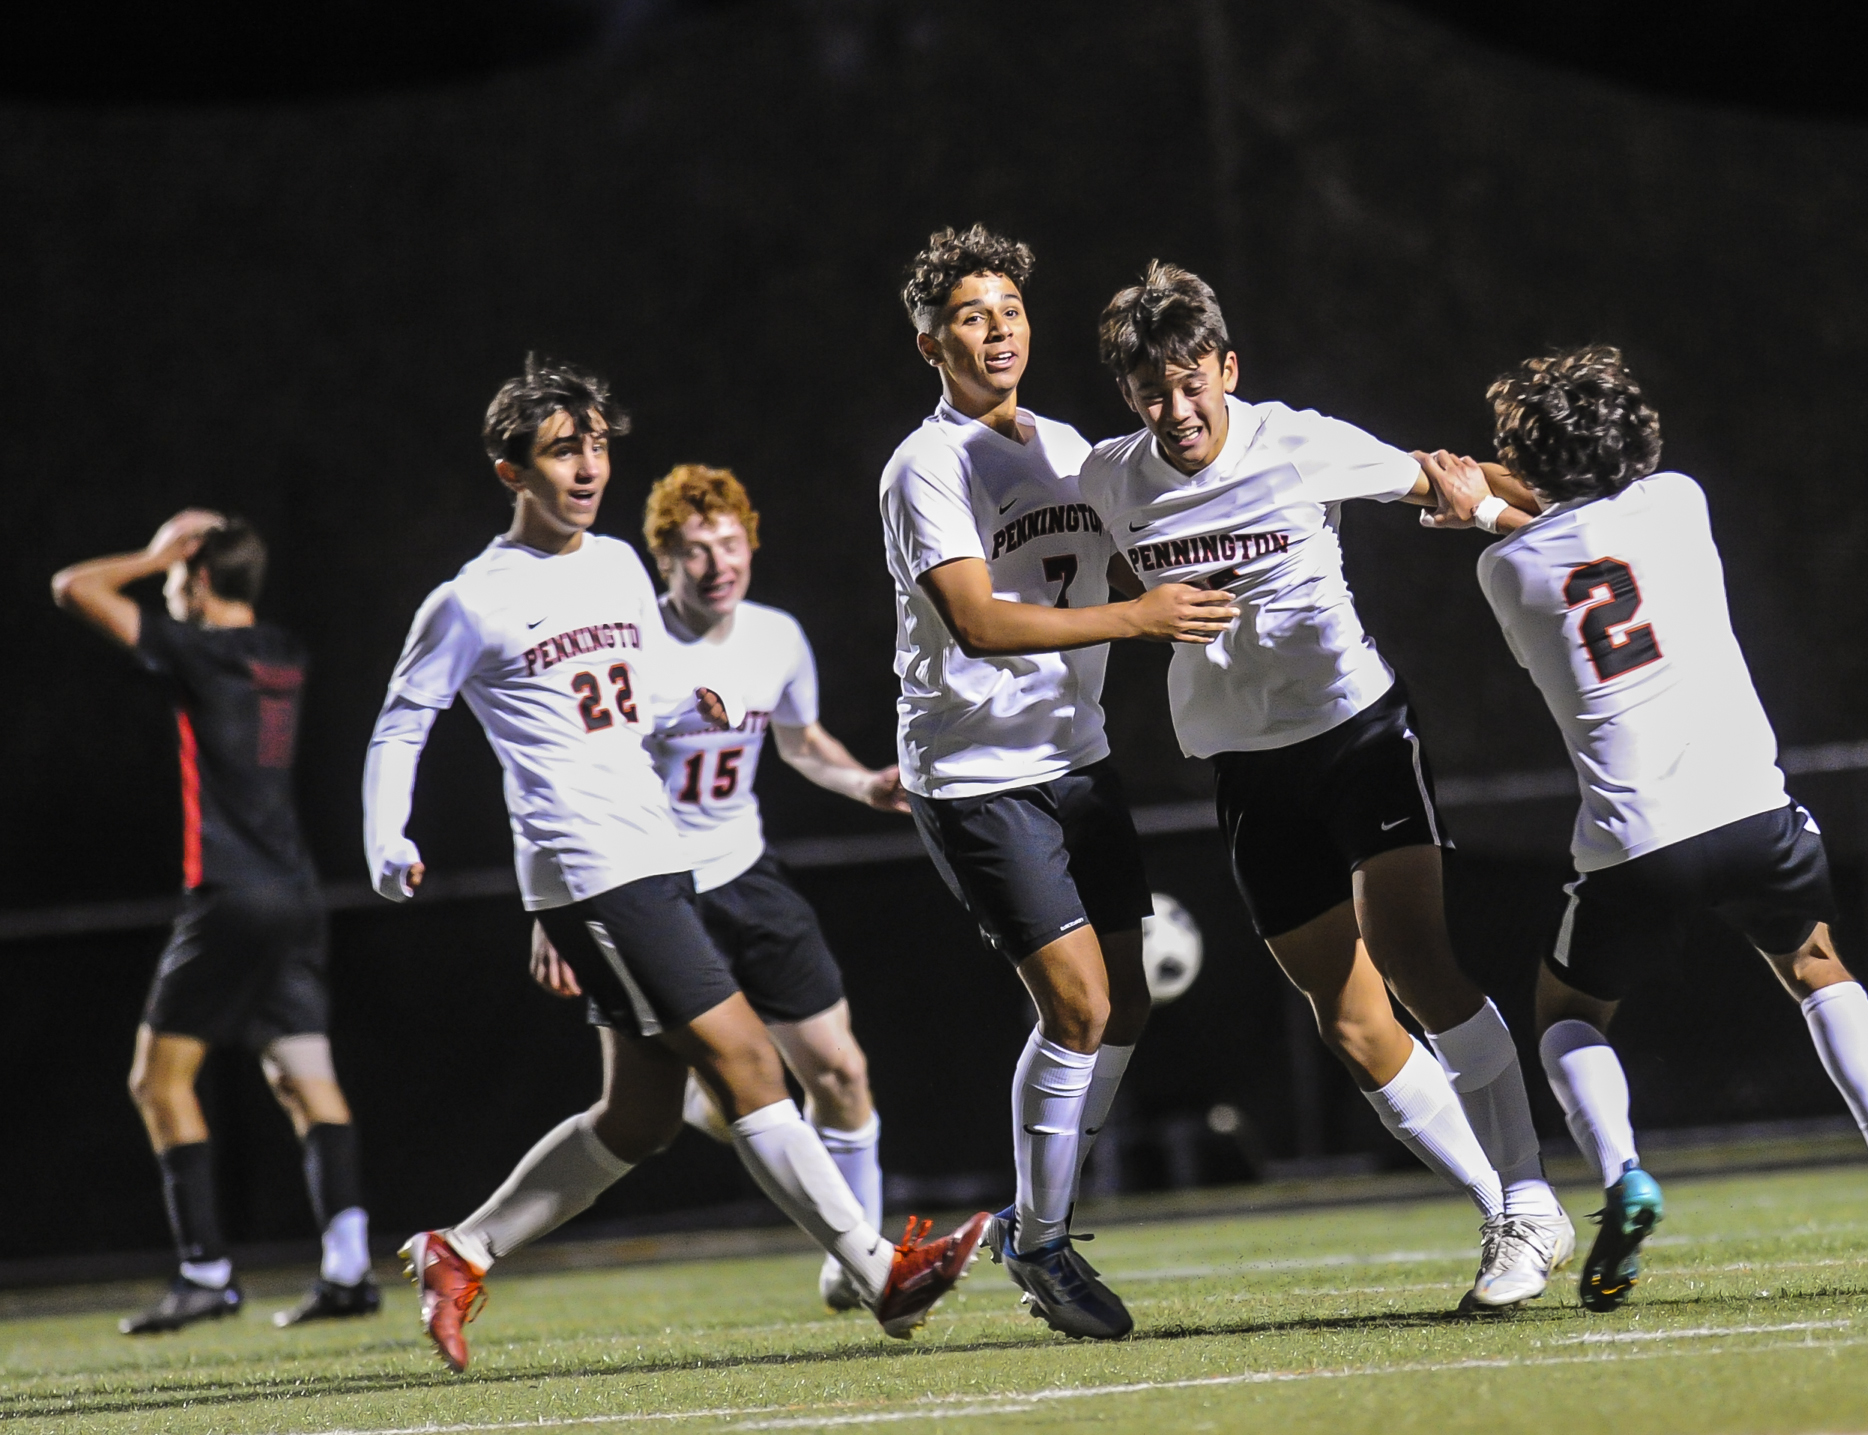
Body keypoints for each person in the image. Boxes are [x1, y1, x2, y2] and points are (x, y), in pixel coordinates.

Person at [363, 355, 984, 1371]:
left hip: (653, 854)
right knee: (745, 1059)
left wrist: (676, 703)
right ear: (509, 470)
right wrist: (387, 836)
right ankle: (882, 1271)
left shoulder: (612, 565)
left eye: (598, 443)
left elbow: (625, 689)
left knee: (640, 1118)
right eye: (564, 448)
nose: (589, 464)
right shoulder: (470, 600)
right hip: (589, 863)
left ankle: (460, 1247)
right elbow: (401, 724)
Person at [1077, 261, 1572, 1311]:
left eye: (1191, 380)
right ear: (1129, 397)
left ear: (1228, 368)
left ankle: (1529, 1194)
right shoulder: (1107, 482)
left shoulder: (1295, 442)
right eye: (1153, 390)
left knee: (1415, 960)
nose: (1176, 408)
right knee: (1349, 1020)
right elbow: (1101, 573)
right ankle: (1508, 1209)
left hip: (1357, 730)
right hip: (1249, 768)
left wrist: (1571, 500)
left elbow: (1441, 475)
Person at [1415, 345, 1868, 1310]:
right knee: (1817, 968)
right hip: (1753, 812)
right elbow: (1575, 511)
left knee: (1565, 1017)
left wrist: (1471, 500)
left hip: (1634, 846)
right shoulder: (1681, 502)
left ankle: (1623, 1175)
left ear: (1529, 460)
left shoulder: (1506, 569)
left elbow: (1540, 532)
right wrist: (1493, 497)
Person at [880, 225, 1238, 1339]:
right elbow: (980, 622)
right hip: (977, 772)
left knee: (1123, 999)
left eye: (1012, 311)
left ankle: (1045, 1214)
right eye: (973, 316)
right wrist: (1140, 617)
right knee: (1077, 1003)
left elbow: (1132, 559)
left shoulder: (1073, 444)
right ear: (932, 342)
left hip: (1074, 759)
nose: (999, 330)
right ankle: (1041, 1241)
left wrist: (1238, 557)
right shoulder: (924, 464)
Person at [528, 461, 905, 1314]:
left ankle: (863, 1262)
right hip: (647, 892)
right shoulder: (627, 645)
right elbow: (568, 774)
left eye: (730, 544)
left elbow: (802, 741)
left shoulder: (775, 636)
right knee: (647, 1113)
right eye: (695, 550)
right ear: (664, 559)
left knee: (841, 1074)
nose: (717, 564)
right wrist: (555, 914)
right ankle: (867, 1257)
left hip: (748, 877)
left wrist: (864, 786)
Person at [52, 512, 377, 1333]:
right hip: (297, 893)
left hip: (231, 896)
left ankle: (206, 1272)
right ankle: (347, 1270)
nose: (165, 589)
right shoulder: (285, 654)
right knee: (305, 1079)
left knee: (156, 1082)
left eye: (173, 578)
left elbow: (74, 587)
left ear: (196, 576)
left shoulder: (199, 652)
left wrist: (154, 554)